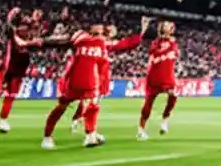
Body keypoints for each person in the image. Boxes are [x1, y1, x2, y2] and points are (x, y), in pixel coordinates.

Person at [42, 16, 147, 149]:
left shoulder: (104, 44)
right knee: (61, 108)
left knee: (92, 107)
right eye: (96, 33)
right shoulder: (80, 38)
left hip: (92, 82)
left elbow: (126, 44)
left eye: (102, 33)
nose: (99, 35)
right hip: (75, 80)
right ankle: (47, 136)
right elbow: (61, 42)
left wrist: (142, 31)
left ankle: (90, 135)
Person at [0, 7, 43, 134]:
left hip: (21, 67)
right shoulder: (13, 31)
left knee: (11, 96)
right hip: (8, 67)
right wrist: (34, 42)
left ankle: (3, 120)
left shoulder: (33, 30)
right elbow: (21, 43)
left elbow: (32, 46)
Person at [138, 20, 179, 139]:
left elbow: (174, 54)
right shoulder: (155, 43)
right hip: (155, 75)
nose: (167, 27)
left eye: (169, 26)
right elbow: (153, 53)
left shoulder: (173, 43)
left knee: (174, 95)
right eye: (165, 25)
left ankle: (165, 120)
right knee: (149, 102)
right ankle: (141, 129)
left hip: (167, 75)